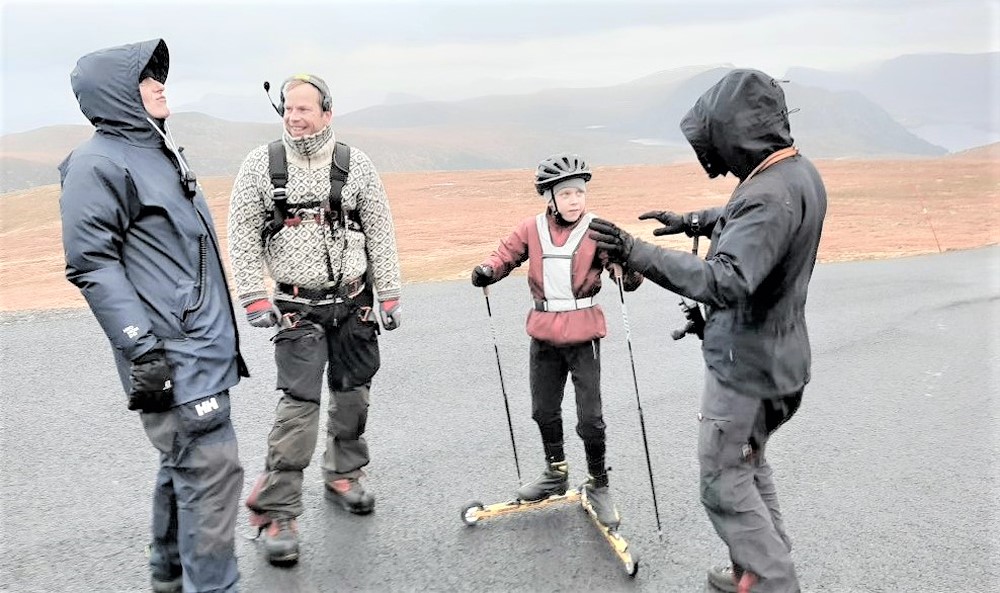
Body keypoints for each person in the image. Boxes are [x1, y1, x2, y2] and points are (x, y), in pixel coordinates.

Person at [588, 69, 827, 593]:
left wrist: (636, 252)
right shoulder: (796, 174)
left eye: (717, 135)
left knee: (723, 481)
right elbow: (750, 219)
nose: (714, 151)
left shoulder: (768, 194)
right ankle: (756, 567)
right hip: (779, 362)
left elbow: (728, 278)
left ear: (737, 131)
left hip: (748, 373)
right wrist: (694, 220)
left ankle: (770, 581)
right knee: (748, 463)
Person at [59, 39, 248, 593]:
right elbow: (91, 262)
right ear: (116, 94)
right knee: (211, 476)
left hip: (197, 345)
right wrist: (142, 348)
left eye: (157, 76)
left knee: (182, 465)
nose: (159, 84)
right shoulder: (99, 163)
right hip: (174, 352)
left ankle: (167, 575)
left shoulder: (156, 150)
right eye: (145, 78)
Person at [227, 73, 402, 566]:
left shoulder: (356, 164)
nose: (294, 117)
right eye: (288, 108)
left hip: (354, 303)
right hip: (296, 308)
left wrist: (387, 293)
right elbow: (241, 235)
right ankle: (277, 510)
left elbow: (380, 231)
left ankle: (343, 472)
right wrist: (253, 297)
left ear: (327, 113)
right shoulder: (261, 166)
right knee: (298, 410)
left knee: (353, 395)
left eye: (304, 109)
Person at [471, 153, 643, 529]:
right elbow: (506, 255)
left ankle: (599, 483)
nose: (574, 200)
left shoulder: (598, 230)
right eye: (566, 194)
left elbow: (628, 280)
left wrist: (626, 269)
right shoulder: (531, 228)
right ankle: (557, 472)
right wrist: (487, 271)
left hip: (584, 335)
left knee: (590, 419)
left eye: (579, 193)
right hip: (545, 334)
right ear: (550, 197)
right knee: (543, 410)